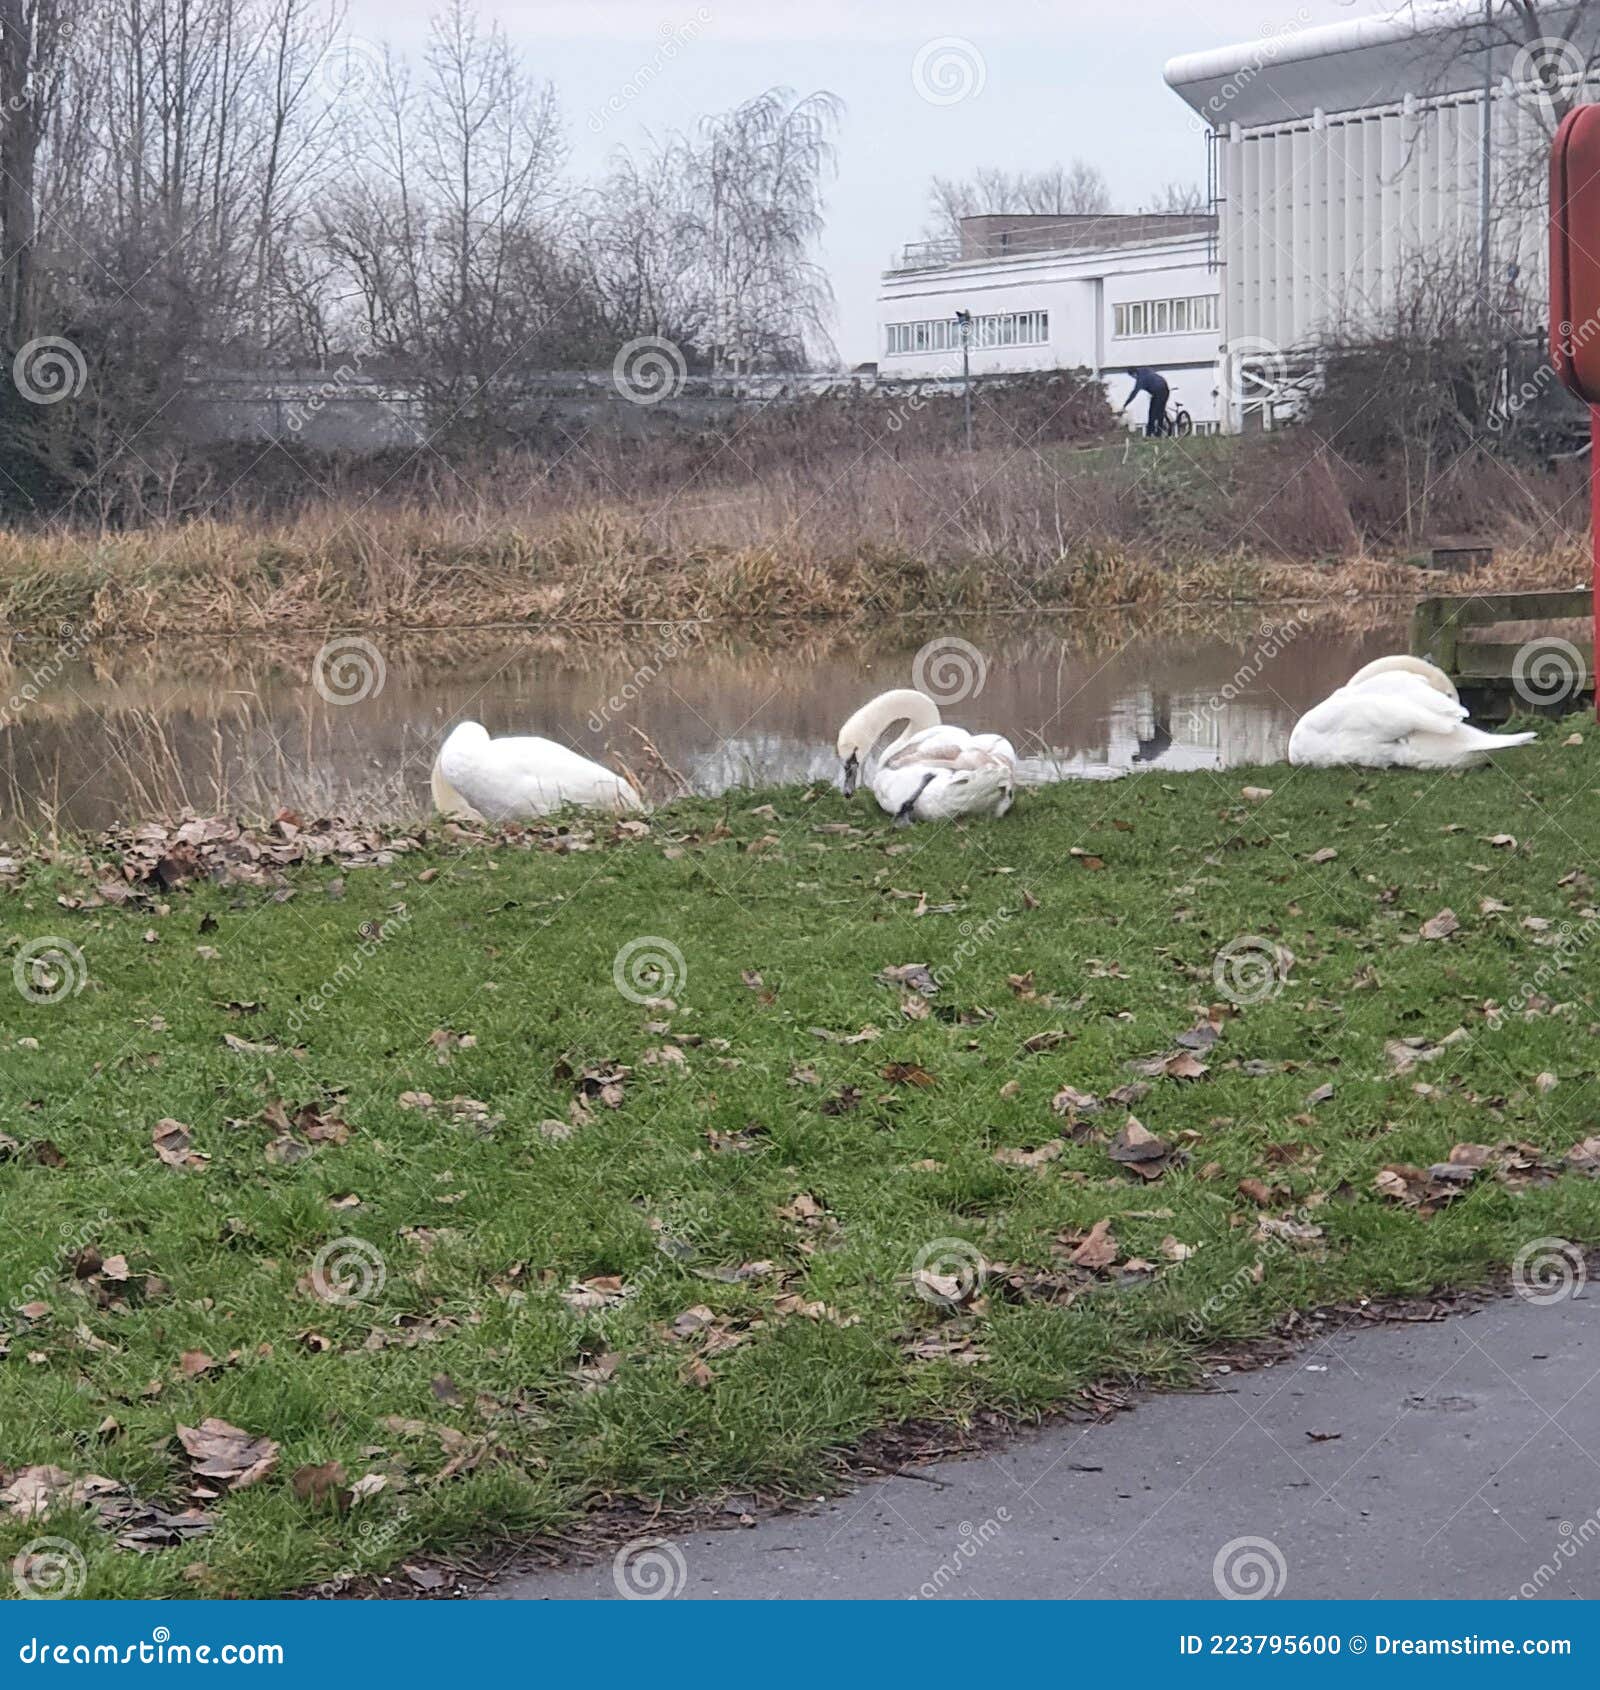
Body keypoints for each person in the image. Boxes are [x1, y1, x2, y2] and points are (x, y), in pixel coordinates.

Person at [1120, 366, 1170, 437]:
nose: (1134, 378)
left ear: (1134, 374)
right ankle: (1158, 432)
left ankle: (1151, 434)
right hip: (1164, 388)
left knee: (1152, 413)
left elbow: (1134, 393)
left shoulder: (1140, 379)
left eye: (1132, 376)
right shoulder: (1144, 370)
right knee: (1159, 411)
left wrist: (1125, 404)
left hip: (1159, 391)